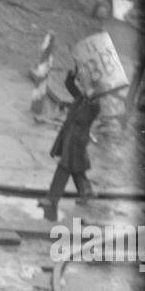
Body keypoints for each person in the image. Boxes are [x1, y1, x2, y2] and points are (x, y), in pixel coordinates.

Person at [45, 66, 102, 221]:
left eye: (89, 86)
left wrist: (86, 94)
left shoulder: (94, 105)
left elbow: (82, 118)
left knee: (64, 167)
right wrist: (72, 76)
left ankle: (52, 199)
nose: (84, 87)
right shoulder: (83, 98)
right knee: (76, 169)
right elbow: (70, 86)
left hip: (76, 141)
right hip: (71, 138)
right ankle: (86, 191)